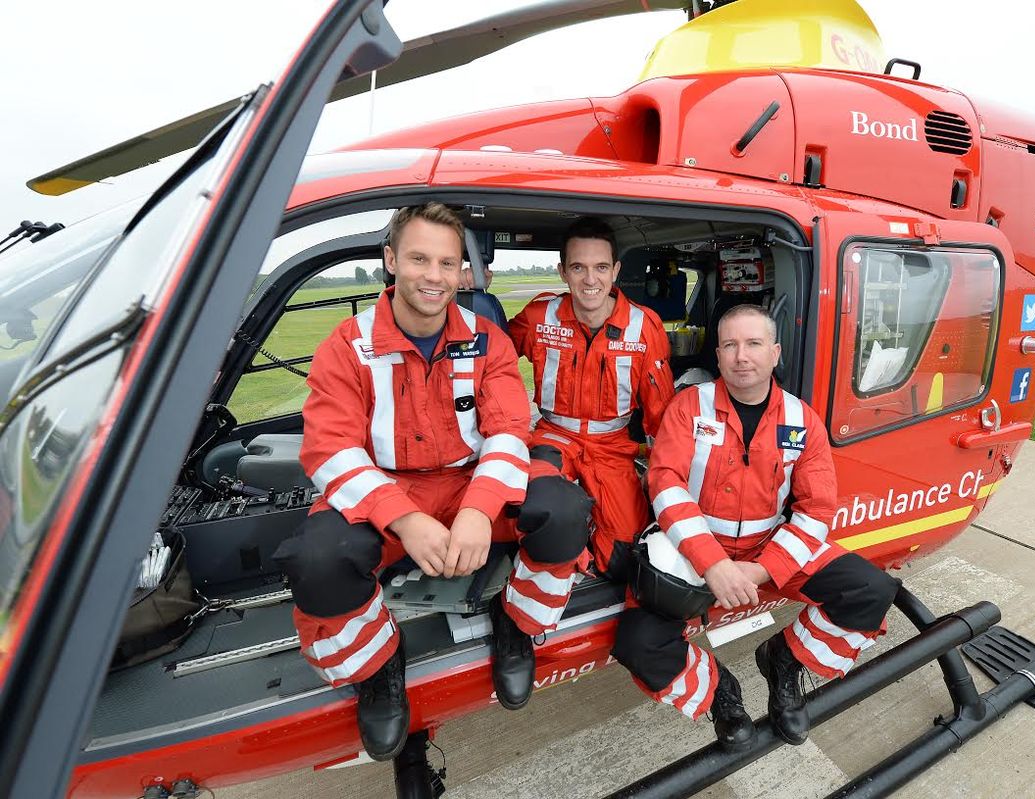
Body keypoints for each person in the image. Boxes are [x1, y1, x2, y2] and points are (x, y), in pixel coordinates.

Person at [273, 203, 591, 761]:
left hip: (473, 487)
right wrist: (404, 518)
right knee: (317, 560)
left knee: (565, 512)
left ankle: (516, 623)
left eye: (448, 263)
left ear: (462, 272)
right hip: (388, 493)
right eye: (420, 258)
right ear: (391, 261)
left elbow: (509, 432)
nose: (435, 276)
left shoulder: (488, 341)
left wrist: (476, 510)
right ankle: (377, 665)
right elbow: (329, 449)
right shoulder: (347, 347)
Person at [611, 304, 900, 751]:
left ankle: (783, 660)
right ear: (719, 355)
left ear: (775, 353)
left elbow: (816, 509)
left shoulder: (803, 421)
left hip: (766, 548)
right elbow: (664, 484)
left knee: (871, 590)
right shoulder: (690, 407)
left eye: (753, 344)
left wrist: (765, 569)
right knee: (637, 642)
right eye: (729, 345)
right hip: (692, 549)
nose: (741, 356)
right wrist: (713, 565)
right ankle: (720, 693)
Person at [466, 217, 674, 665]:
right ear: (563, 272)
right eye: (578, 268)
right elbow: (488, 355)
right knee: (550, 513)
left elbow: (660, 412)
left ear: (616, 271)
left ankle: (582, 539)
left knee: (620, 560)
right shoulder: (540, 315)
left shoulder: (645, 327)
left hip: (614, 447)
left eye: (600, 268)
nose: (590, 279)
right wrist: (467, 297)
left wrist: (669, 476)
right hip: (552, 437)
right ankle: (515, 615)